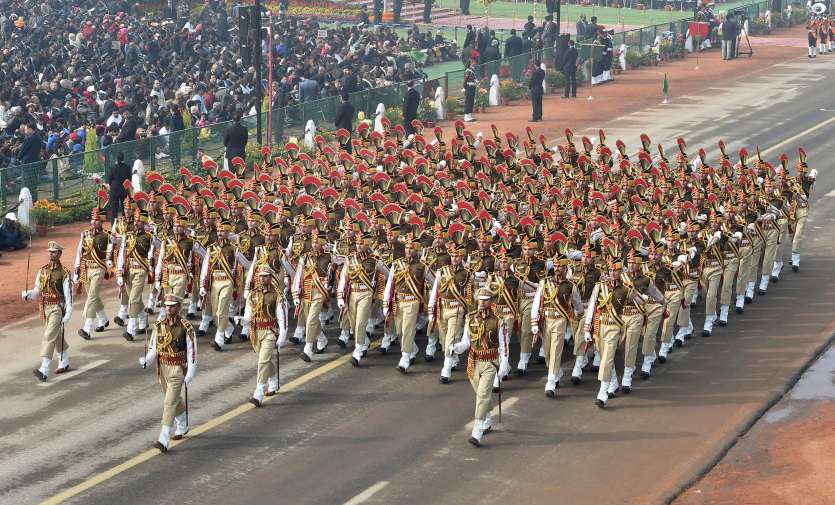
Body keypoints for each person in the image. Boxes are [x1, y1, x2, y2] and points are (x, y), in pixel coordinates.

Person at [451, 287, 508, 447]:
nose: (482, 302)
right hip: (473, 362)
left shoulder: (498, 320)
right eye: (480, 299)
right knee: (481, 394)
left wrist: (504, 363)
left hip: (490, 362)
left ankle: (477, 430)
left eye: (486, 299)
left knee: (482, 395)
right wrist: (456, 348)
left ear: (491, 302)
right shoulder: (470, 318)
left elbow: (504, 346)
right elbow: (467, 341)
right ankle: (487, 418)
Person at [139, 294, 197, 453]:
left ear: (179, 307)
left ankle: (163, 438)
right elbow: (154, 347)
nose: (168, 308)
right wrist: (147, 360)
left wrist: (191, 370)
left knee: (169, 403)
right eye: (166, 305)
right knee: (172, 399)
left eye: (172, 305)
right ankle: (183, 424)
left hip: (178, 369)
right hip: (162, 368)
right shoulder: (158, 325)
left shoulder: (186, 326)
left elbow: (192, 350)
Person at [21, 241, 73, 382]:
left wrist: (68, 314)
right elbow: (38, 291)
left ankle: (44, 369)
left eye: (54, 251)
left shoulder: (65, 273)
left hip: (57, 308)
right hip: (45, 308)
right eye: (49, 251)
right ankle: (65, 360)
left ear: (60, 254)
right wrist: (28, 294)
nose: (51, 253)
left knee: (49, 336)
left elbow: (69, 296)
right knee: (56, 336)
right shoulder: (42, 271)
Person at [427, 244, 472, 383]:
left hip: (456, 310)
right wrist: (431, 310)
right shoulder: (442, 271)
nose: (454, 258)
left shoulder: (467, 273)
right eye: (452, 256)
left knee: (450, 340)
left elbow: (470, 295)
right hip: (442, 309)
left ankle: (445, 370)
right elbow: (435, 291)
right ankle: (454, 357)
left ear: (462, 257)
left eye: (457, 256)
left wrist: (469, 313)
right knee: (443, 339)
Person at [244, 266, 287, 406]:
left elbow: (282, 316)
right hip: (255, 332)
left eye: (266, 276)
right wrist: (244, 322)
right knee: (265, 359)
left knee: (262, 362)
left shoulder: (277, 294)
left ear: (271, 277)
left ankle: (259, 393)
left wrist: (282, 336)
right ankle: (274, 381)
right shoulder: (253, 293)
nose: (263, 278)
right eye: (261, 276)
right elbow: (248, 313)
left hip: (270, 331)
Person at [383, 236, 427, 373]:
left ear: (416, 250)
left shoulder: (422, 266)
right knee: (400, 331)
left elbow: (433, 282)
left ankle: (405, 358)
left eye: (411, 248)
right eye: (407, 247)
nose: (408, 250)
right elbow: (390, 284)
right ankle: (413, 349)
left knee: (407, 330)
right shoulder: (396, 264)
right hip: (398, 301)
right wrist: (386, 303)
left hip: (412, 301)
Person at [201, 217, 242, 351]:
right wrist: (203, 285)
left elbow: (238, 266)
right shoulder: (211, 248)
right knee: (215, 313)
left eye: (222, 230)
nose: (219, 233)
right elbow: (206, 266)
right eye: (218, 230)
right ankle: (229, 329)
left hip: (227, 281)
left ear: (228, 232)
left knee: (222, 310)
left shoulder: (234, 248)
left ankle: (219, 339)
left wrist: (237, 284)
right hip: (214, 281)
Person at [338, 233, 378, 367]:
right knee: (354, 324)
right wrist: (340, 296)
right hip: (352, 293)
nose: (358, 245)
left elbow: (388, 275)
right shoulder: (350, 259)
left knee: (360, 323)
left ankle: (357, 351)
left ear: (367, 245)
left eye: (361, 243)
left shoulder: (375, 260)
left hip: (366, 293)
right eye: (357, 243)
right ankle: (364, 341)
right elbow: (343, 278)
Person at [73, 203, 112, 340]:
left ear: (101, 221)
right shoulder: (85, 235)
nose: (94, 222)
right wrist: (76, 270)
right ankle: (104, 319)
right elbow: (79, 252)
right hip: (86, 268)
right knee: (93, 296)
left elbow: (118, 246)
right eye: (92, 219)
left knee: (92, 297)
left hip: (99, 269)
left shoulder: (108, 235)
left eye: (97, 220)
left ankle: (87, 328)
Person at [293, 235, 332, 362]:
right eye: (313, 241)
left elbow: (344, 260)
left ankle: (308, 349)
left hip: (319, 292)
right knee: (312, 320)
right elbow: (299, 275)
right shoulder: (305, 257)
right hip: (306, 292)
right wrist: (295, 293)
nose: (314, 244)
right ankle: (322, 339)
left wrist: (332, 248)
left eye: (317, 242)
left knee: (310, 320)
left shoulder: (329, 256)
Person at [108, 152, 132, 222]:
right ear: (123, 158)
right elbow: (129, 180)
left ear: (116, 159)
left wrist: (112, 185)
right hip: (124, 189)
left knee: (114, 209)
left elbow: (109, 180)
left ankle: (113, 226)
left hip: (114, 190)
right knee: (125, 207)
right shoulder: (127, 167)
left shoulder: (113, 168)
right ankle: (126, 224)